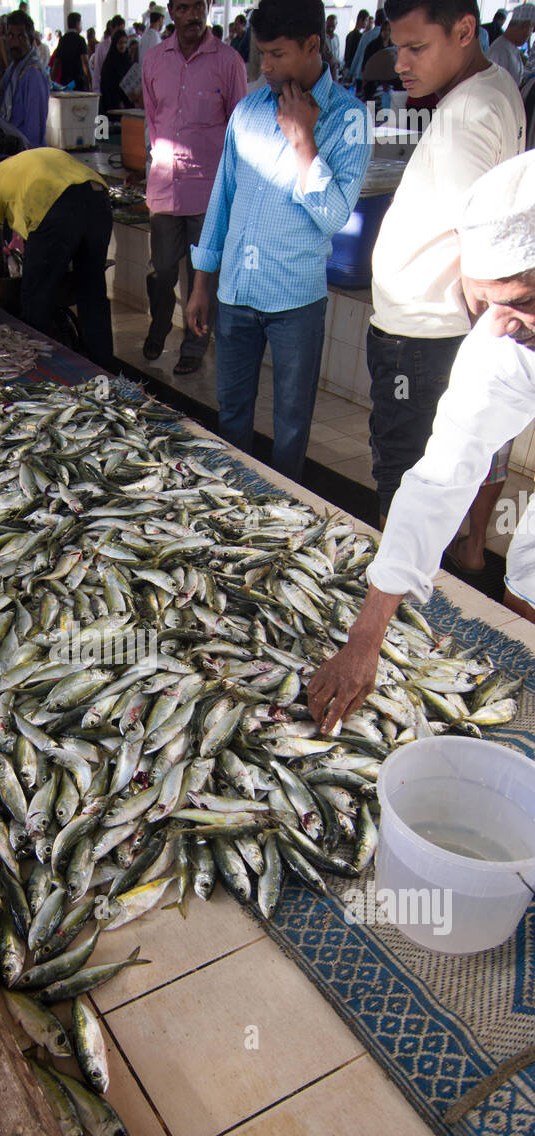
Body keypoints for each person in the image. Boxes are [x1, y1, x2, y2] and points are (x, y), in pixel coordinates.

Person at [308, 152, 535, 735]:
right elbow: (440, 477)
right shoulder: (502, 341)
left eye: (524, 303)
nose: (502, 324)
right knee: (529, 577)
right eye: (484, 302)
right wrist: (365, 636)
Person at [368, 0, 525, 573]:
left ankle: (396, 610)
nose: (400, 64)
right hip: (431, 333)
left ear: (463, 31)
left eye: (416, 48)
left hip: (422, 335)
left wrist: (485, 325)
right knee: (441, 468)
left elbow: (482, 257)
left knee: (405, 474)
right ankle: (449, 571)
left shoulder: (465, 116)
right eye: (396, 47)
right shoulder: (493, 86)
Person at [187, 0, 370, 481]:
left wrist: (302, 140)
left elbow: (333, 216)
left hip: (295, 302)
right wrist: (203, 283)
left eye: (277, 54)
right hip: (235, 294)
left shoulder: (348, 119)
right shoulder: (247, 111)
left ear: (313, 46)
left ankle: (282, 520)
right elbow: (222, 199)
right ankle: (226, 502)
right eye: (260, 54)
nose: (265, 66)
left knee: (290, 427)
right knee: (231, 416)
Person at [141, 0, 249, 377]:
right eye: (183, 7)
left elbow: (240, 128)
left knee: (203, 275)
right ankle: (157, 327)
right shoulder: (154, 60)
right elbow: (154, 120)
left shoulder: (228, 61)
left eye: (197, 6)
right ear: (172, 10)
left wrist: (234, 189)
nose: (191, 16)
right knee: (162, 271)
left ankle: (194, 346)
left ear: (207, 8)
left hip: (209, 194)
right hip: (165, 187)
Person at [0, 141, 113, 367]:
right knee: (92, 293)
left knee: (36, 298)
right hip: (99, 197)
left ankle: (41, 372)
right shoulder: (31, 160)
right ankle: (104, 370)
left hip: (54, 205)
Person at [0, 10, 50, 147]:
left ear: (31, 40)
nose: (15, 43)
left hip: (27, 154)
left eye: (21, 37)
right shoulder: (13, 70)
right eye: (11, 36)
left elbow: (34, 131)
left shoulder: (33, 74)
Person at [488, 4, 535, 82]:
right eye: (532, 29)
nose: (530, 34)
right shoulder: (501, 50)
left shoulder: (511, 47)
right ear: (525, 27)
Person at [52, 12, 91, 88]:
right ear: (77, 24)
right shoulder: (80, 40)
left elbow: (56, 63)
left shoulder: (62, 40)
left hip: (65, 82)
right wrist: (89, 80)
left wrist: (52, 82)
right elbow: (85, 63)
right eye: (81, 23)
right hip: (78, 82)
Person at [100, 28, 132, 112]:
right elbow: (108, 85)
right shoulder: (110, 62)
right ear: (115, 43)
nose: (123, 46)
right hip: (113, 104)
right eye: (120, 43)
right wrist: (118, 102)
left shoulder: (127, 60)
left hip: (127, 102)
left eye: (125, 43)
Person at [351, 8, 386, 84]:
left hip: (360, 74)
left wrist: (352, 72)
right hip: (377, 77)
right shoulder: (386, 38)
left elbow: (358, 55)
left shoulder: (365, 36)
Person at [92, 15, 125, 89]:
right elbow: (97, 70)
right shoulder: (102, 47)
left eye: (122, 31)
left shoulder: (125, 47)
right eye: (118, 31)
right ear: (112, 29)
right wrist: (96, 90)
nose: (120, 34)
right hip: (106, 87)